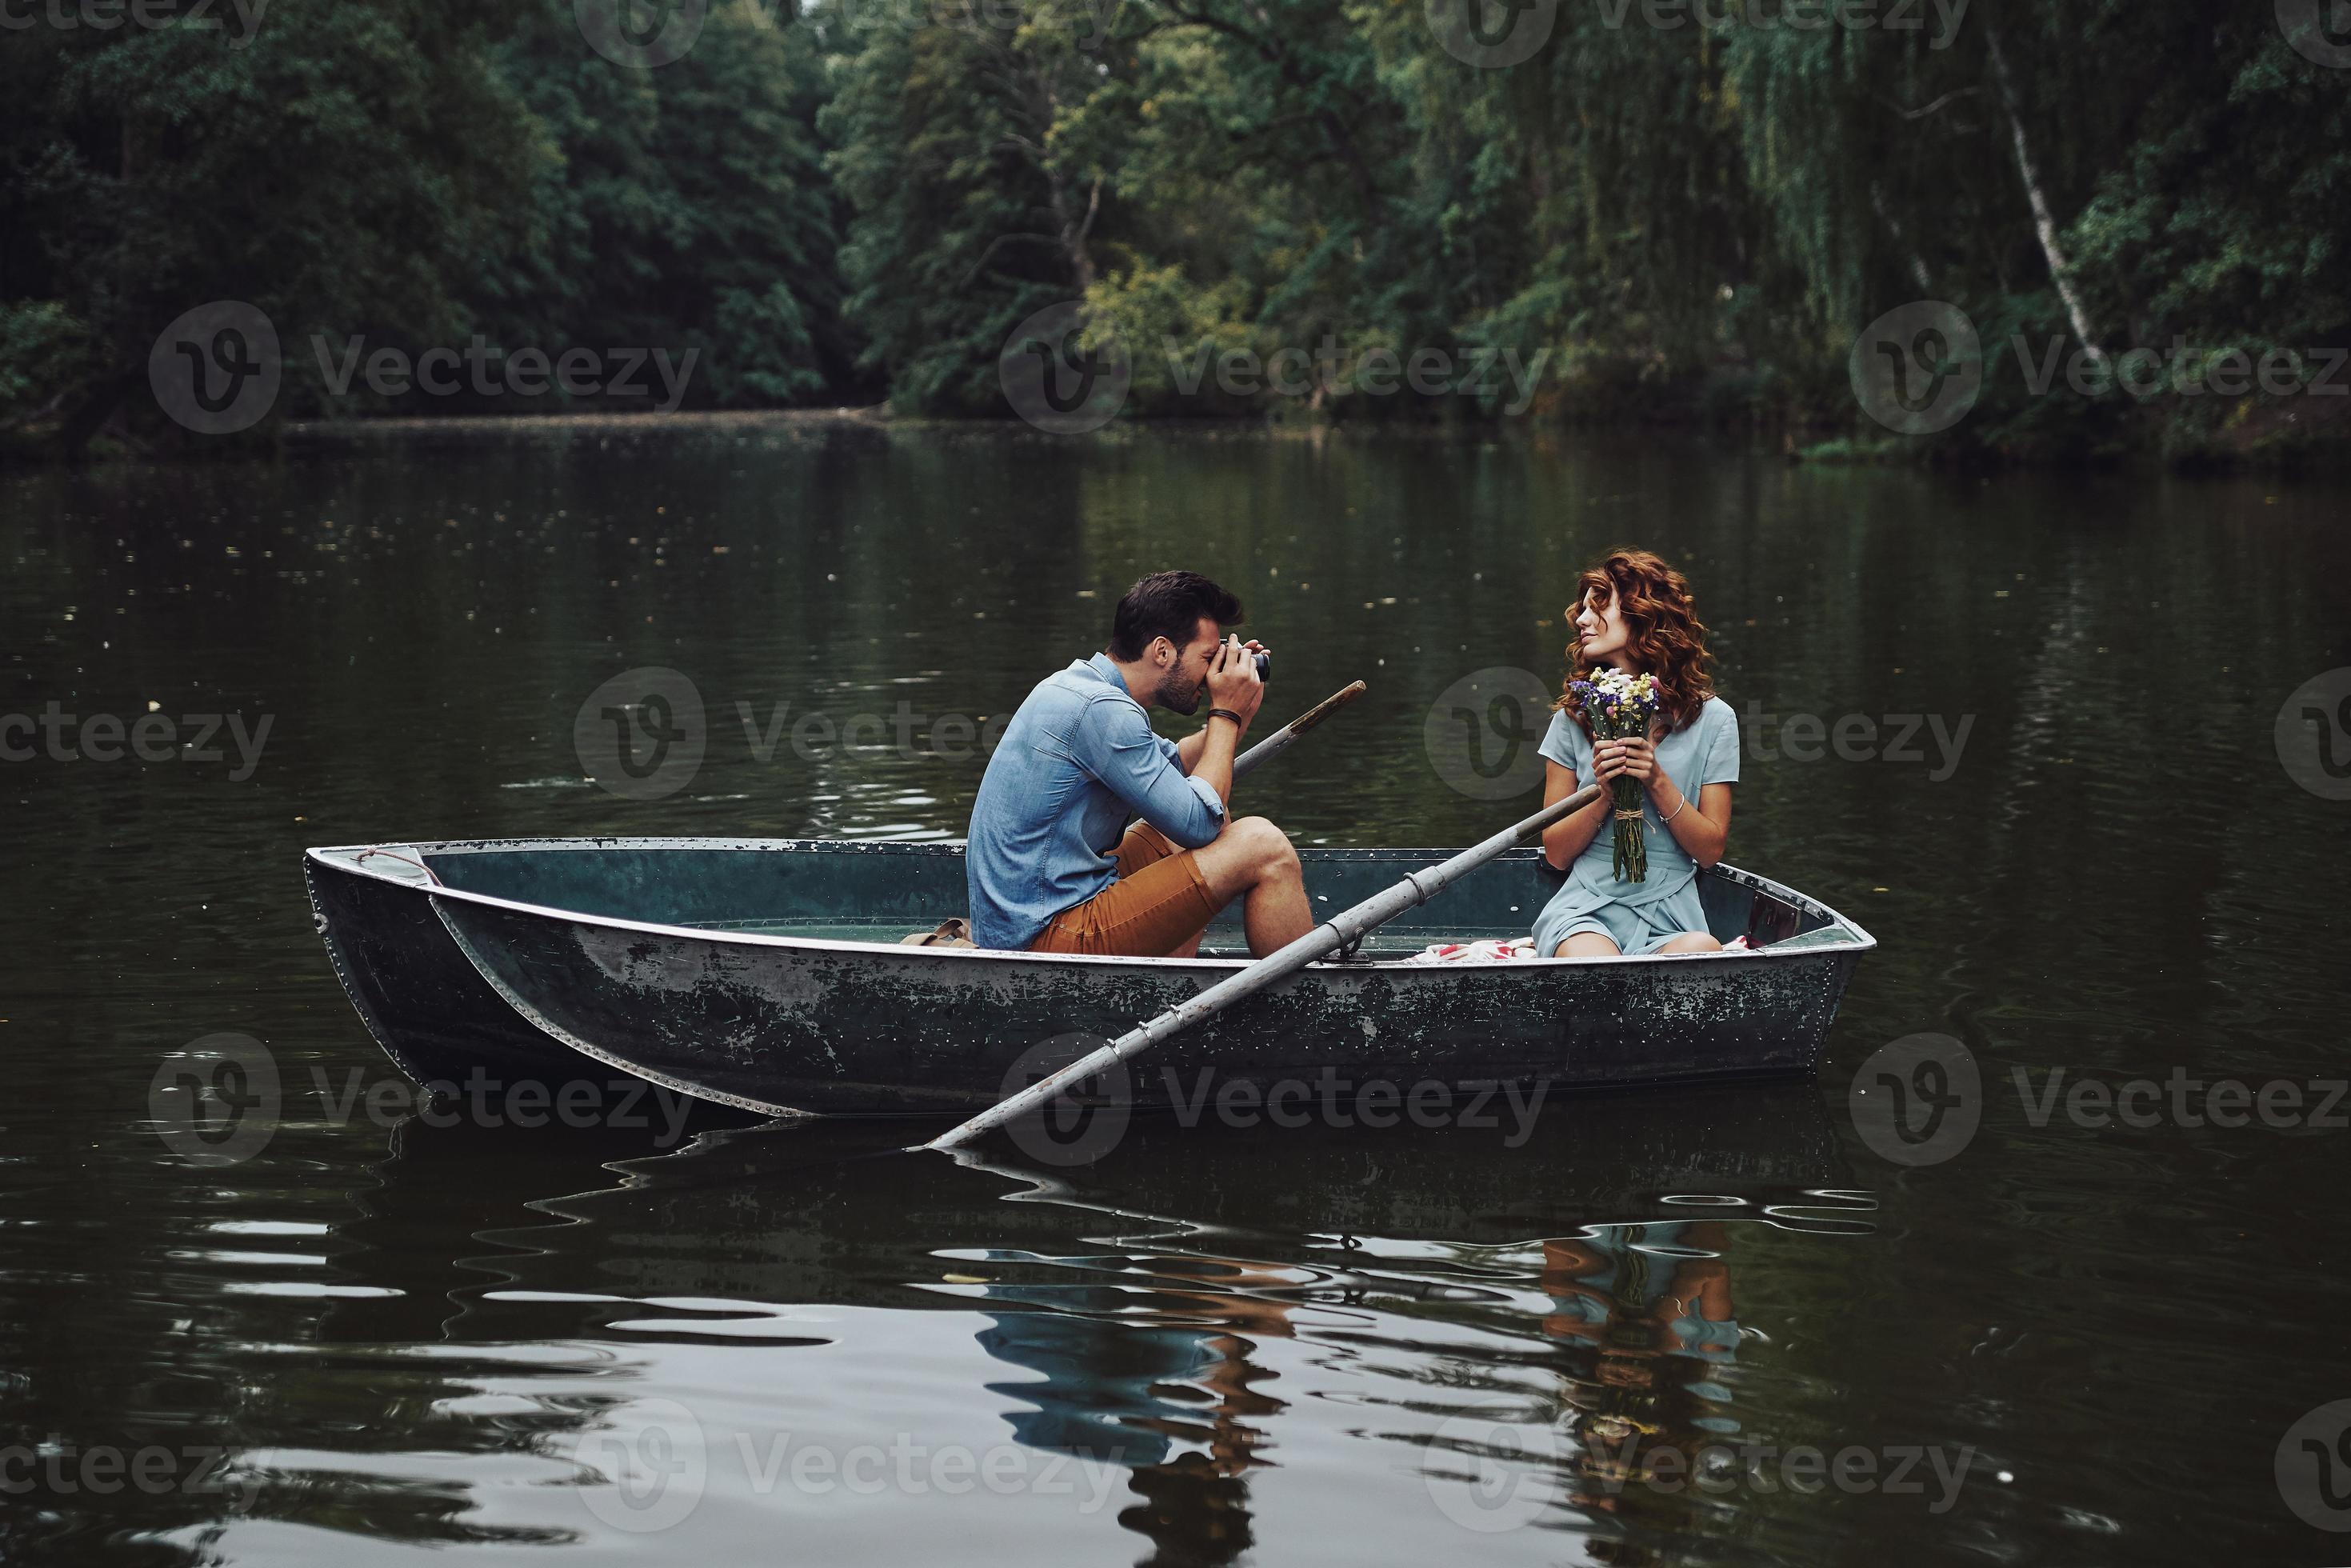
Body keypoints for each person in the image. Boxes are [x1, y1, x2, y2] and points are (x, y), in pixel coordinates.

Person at [966, 570, 1313, 958]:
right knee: (1263, 845)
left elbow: (1175, 766)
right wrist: (1225, 713)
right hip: (1041, 937)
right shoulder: (1102, 709)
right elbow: (1201, 823)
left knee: (1206, 821)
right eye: (1207, 658)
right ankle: (1308, 994)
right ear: (1162, 651)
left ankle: (1171, 984)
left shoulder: (1078, 687)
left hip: (1029, 918)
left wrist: (1238, 711)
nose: (1211, 674)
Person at [1532, 548, 1737, 958]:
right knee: (1596, 961)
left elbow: (1710, 852)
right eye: (1582, 609)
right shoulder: (1573, 717)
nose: (1582, 620)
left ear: (1643, 614)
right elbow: (1555, 853)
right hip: (1585, 908)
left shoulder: (1715, 720)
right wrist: (1604, 793)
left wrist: (1656, 780)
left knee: (1702, 950)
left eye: (1598, 607)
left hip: (1673, 912)